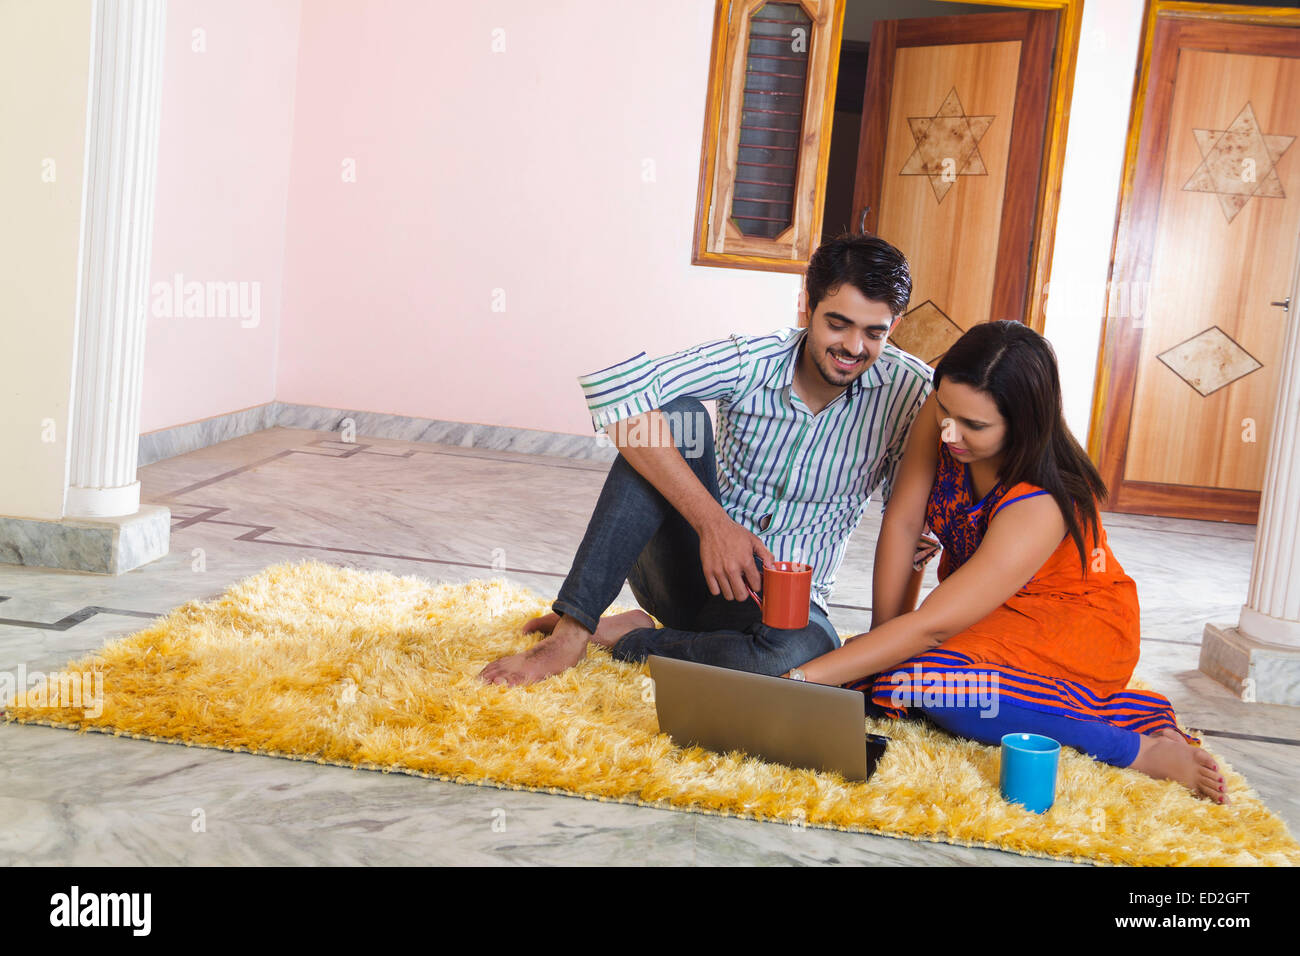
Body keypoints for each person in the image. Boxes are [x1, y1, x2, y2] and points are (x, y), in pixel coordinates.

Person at [780, 320, 1227, 803]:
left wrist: (798, 685)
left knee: (938, 690)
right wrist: (885, 647)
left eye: (974, 426)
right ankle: (1054, 704)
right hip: (992, 610)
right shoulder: (953, 405)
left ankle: (1136, 747)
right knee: (891, 671)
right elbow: (905, 524)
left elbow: (932, 630)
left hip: (1073, 624)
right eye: (946, 411)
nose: (949, 431)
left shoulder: (1042, 501)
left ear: (1023, 422)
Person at [478, 233, 934, 686]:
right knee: (674, 417)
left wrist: (885, 642)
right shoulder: (755, 358)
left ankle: (629, 639)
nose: (854, 348)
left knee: (804, 656)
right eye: (838, 324)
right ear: (807, 308)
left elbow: (909, 524)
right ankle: (572, 632)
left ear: (891, 328)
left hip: (788, 607)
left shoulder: (913, 393)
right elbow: (618, 393)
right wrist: (714, 524)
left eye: (874, 332)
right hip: (688, 568)